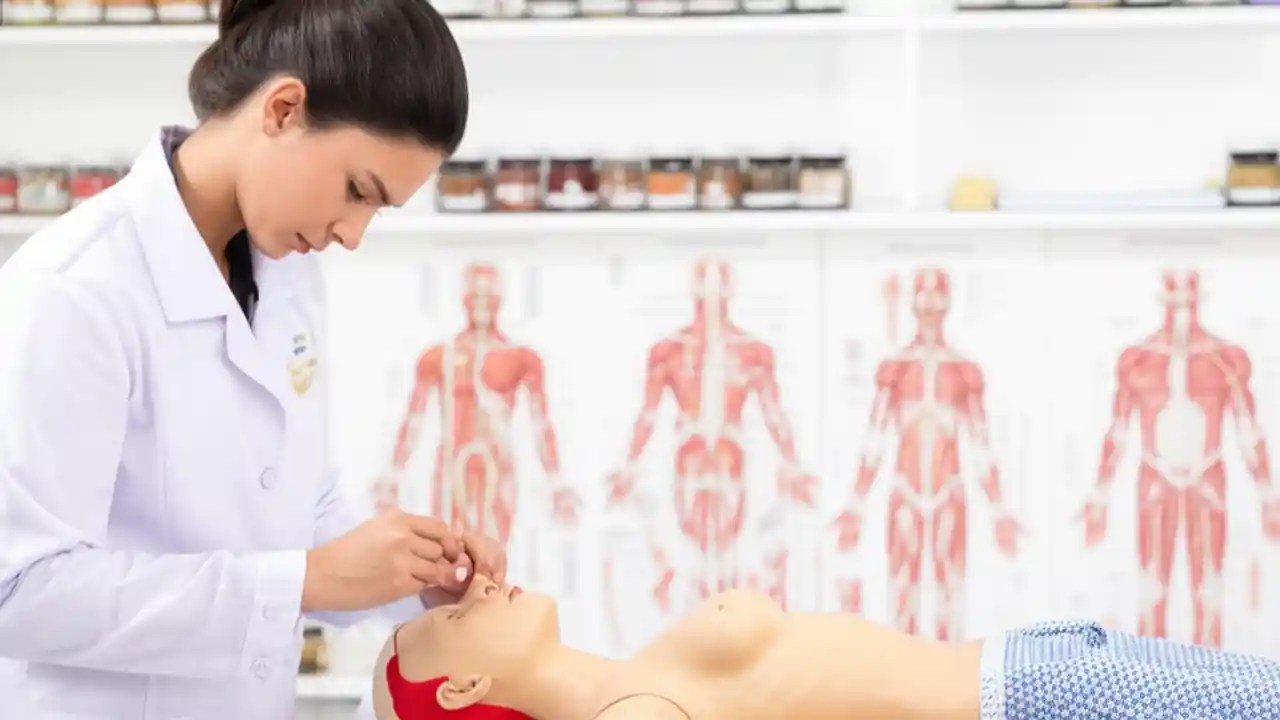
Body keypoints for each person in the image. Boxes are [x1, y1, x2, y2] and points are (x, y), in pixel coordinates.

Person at [0, 1, 500, 718]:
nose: (352, 233)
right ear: (283, 109)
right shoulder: (76, 291)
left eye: (376, 210)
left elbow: (295, 498)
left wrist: (409, 575)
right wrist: (302, 584)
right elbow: (18, 590)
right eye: (358, 190)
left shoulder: (289, 275)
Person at [372, 575, 1280, 720]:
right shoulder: (636, 713)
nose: (479, 588)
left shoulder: (636, 678)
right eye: (453, 619)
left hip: (1031, 658)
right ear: (461, 689)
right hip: (1032, 704)